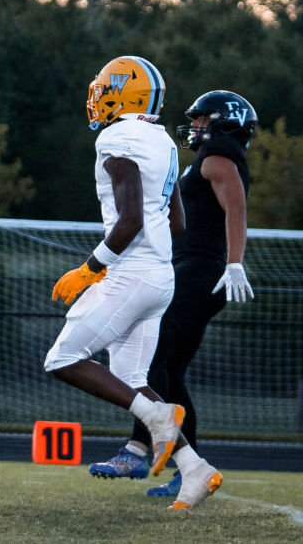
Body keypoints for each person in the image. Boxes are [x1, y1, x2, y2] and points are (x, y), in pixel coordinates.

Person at [44, 56, 223, 510]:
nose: (97, 99)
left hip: (131, 274)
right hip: (161, 276)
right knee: (130, 378)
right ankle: (196, 471)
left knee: (63, 358)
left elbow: (128, 221)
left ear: (123, 93)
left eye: (104, 90)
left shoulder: (117, 136)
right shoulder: (162, 140)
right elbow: (176, 221)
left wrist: (90, 268)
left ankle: (160, 419)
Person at [88, 90, 257, 498]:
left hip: (199, 273)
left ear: (222, 123)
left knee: (147, 361)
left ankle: (136, 449)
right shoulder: (208, 158)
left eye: (202, 120)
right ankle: (190, 469)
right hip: (193, 271)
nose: (195, 126)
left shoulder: (218, 156)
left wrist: (235, 261)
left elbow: (236, 209)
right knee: (170, 373)